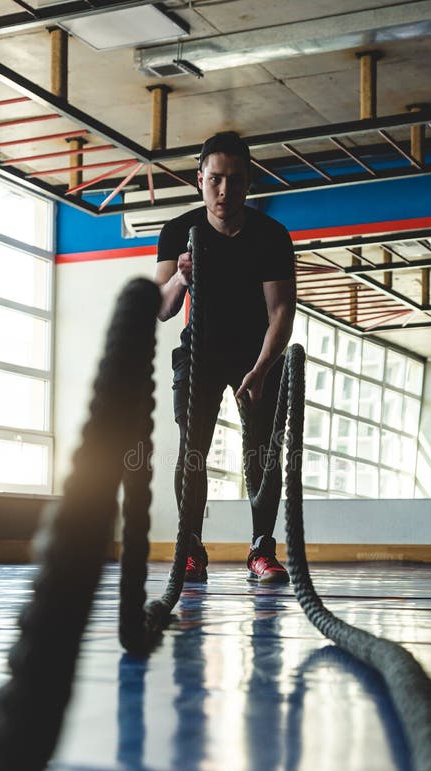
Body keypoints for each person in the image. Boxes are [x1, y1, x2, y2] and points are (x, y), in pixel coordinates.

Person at [154, 131, 296, 584]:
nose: (224, 190)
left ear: (248, 183)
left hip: (258, 355)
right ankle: (191, 548)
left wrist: (262, 368)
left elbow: (281, 311)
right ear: (200, 179)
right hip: (199, 353)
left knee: (263, 454)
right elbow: (162, 308)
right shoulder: (179, 232)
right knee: (192, 449)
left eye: (235, 180)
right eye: (215, 179)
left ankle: (261, 550)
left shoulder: (271, 236)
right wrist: (181, 277)